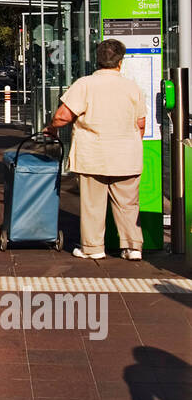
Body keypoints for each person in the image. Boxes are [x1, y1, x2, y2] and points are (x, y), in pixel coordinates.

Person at [44, 37, 146, 260]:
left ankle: (93, 248)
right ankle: (132, 247)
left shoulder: (85, 84)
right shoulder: (132, 87)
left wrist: (51, 128)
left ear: (97, 61)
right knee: (128, 205)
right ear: (120, 62)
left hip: (94, 155)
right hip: (127, 156)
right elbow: (140, 124)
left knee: (92, 205)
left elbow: (63, 116)